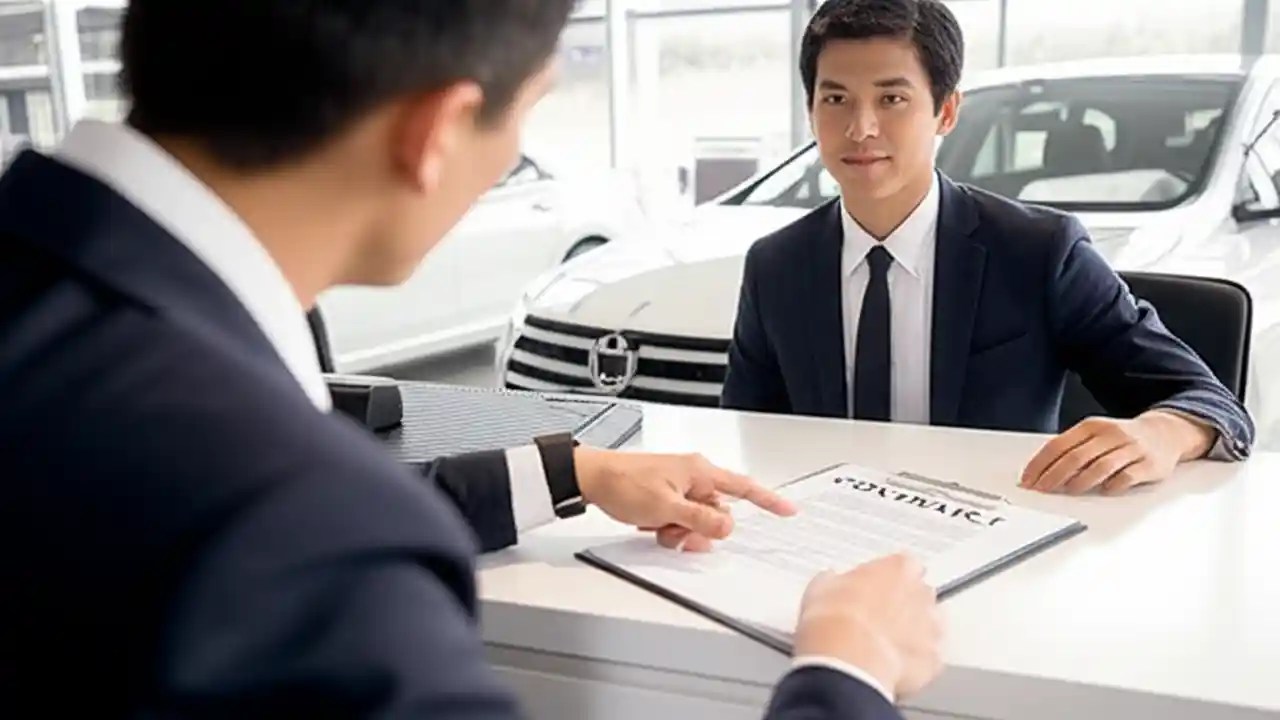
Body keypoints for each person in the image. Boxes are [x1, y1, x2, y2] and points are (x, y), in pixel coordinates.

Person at [0, 2, 943, 718]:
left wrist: (569, 472)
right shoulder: (299, 532)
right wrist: (846, 667)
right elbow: (289, 515)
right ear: (438, 131)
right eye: (524, 115)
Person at [720, 0, 1254, 496]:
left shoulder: (1040, 251)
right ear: (811, 110)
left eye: (892, 99)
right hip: (828, 537)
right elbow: (747, 435)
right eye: (836, 99)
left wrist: (1161, 433)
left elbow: (1210, 402)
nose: (861, 129)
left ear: (946, 112)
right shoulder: (777, 266)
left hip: (995, 531)